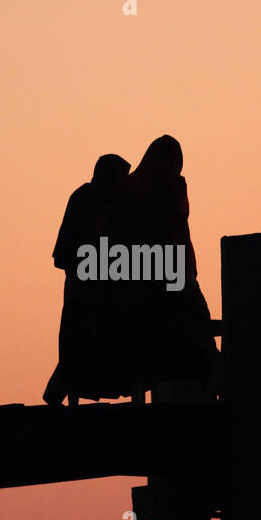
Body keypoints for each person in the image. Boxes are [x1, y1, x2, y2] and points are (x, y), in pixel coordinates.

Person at [106, 135, 219, 401]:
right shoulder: (172, 185)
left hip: (138, 277)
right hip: (174, 272)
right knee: (197, 327)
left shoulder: (130, 187)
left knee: (149, 339)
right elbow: (177, 227)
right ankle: (216, 379)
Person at [44, 154, 132, 405]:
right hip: (86, 285)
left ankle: (64, 395)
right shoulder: (90, 200)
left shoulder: (99, 199)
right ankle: (66, 395)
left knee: (88, 342)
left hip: (97, 284)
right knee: (78, 341)